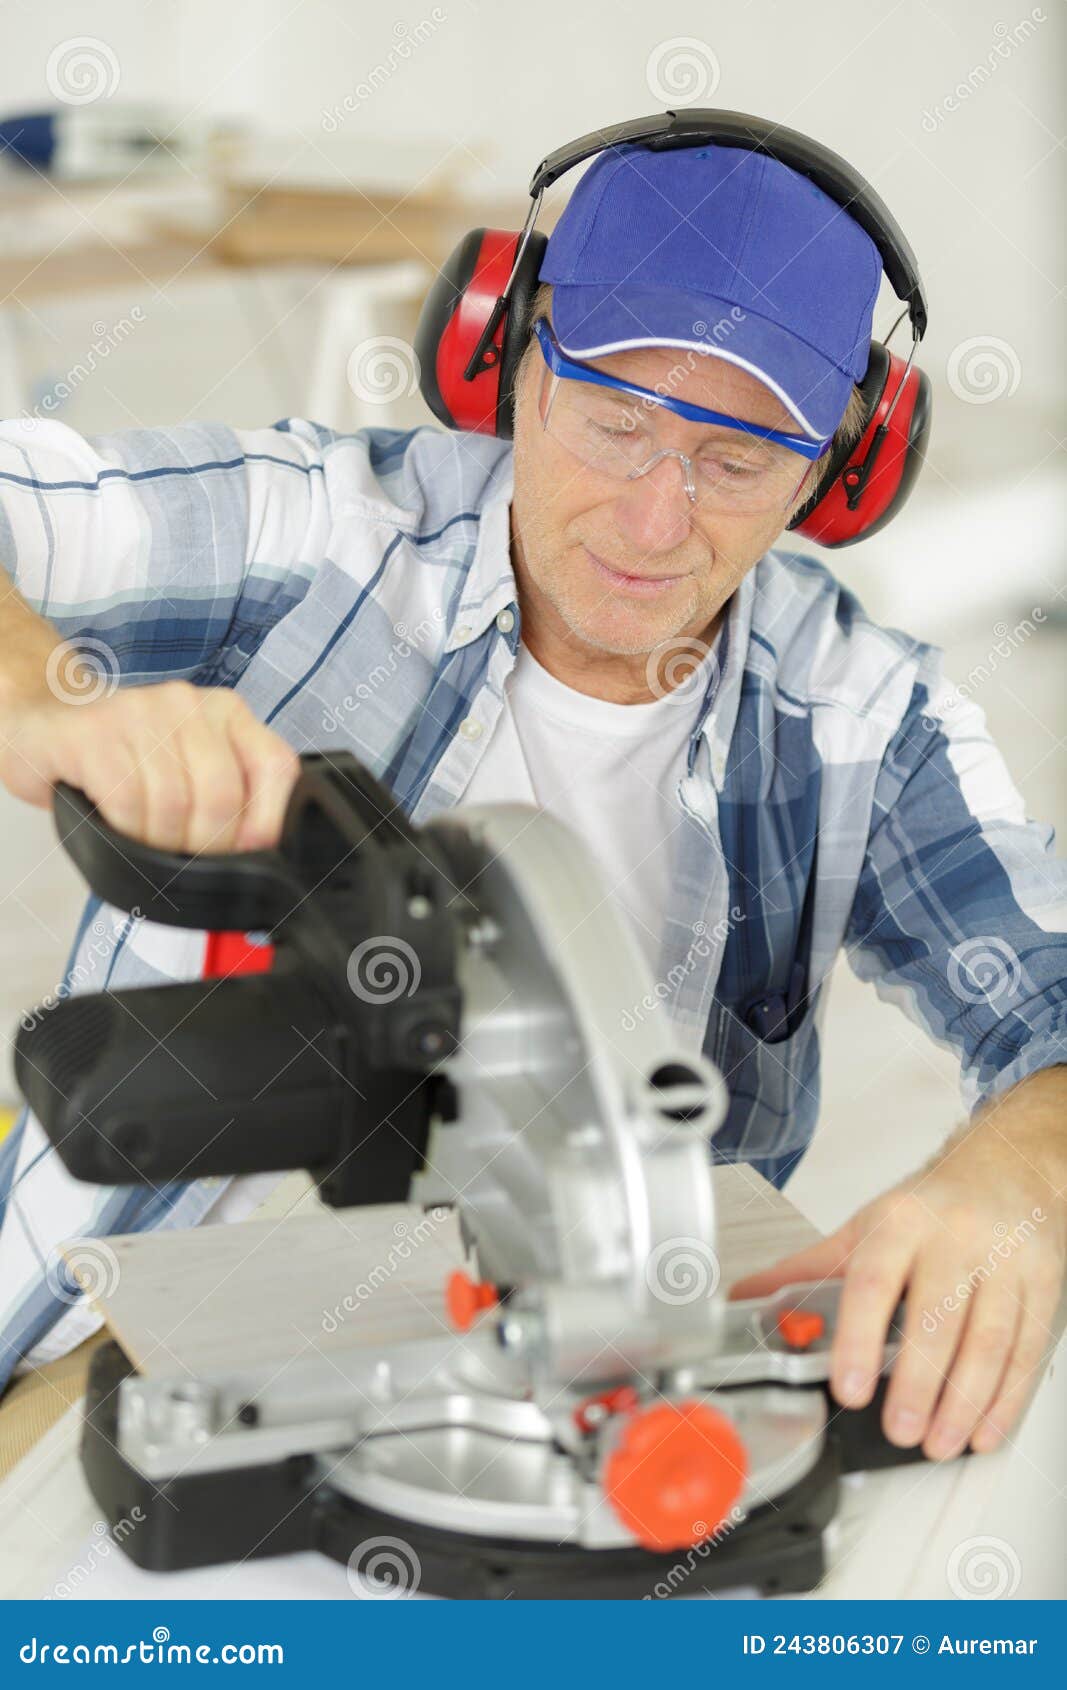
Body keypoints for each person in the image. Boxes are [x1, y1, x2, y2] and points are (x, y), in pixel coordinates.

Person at [0, 133, 1064, 1473]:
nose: (657, 517)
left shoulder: (860, 717)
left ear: (839, 472)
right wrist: (43, 685)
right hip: (112, 1354)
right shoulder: (310, 535)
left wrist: (1028, 1171)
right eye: (616, 420)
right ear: (506, 359)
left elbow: (1051, 989)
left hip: (568, 1417)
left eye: (738, 462)